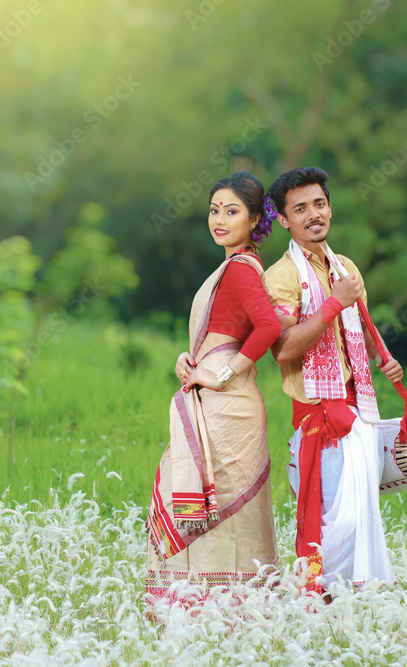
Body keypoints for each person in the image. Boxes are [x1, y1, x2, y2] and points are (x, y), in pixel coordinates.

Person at [262, 166, 403, 597]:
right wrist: (331, 304)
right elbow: (284, 349)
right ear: (284, 220)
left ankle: (354, 606)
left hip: (357, 407)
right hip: (320, 416)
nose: (313, 214)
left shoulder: (345, 267)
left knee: (363, 515)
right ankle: (320, 605)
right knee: (332, 519)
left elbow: (357, 323)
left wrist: (384, 357)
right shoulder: (282, 276)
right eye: (300, 208)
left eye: (319, 204)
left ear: (329, 208)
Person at [145, 171, 282, 608]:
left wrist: (222, 374)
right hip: (218, 401)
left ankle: (213, 608)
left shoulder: (241, 270)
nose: (220, 219)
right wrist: (190, 361)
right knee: (213, 505)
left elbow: (268, 327)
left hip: (228, 406)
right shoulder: (232, 269)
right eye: (214, 209)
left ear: (255, 219)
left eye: (232, 211)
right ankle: (214, 609)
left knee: (222, 507)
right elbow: (223, 332)